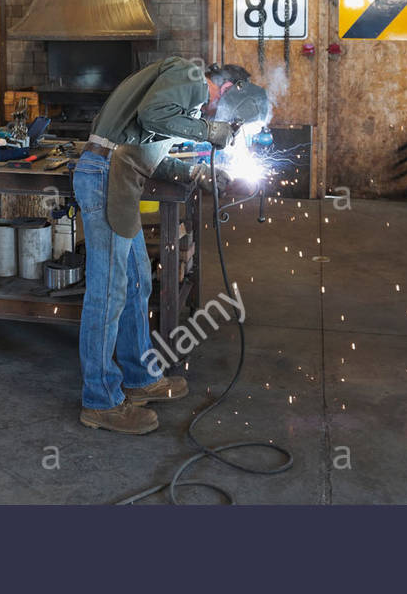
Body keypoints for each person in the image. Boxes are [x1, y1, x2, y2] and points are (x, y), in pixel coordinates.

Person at [74, 58, 268, 434]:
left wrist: (195, 172)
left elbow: (149, 154)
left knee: (136, 284)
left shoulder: (183, 103)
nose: (219, 118)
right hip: (104, 178)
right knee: (108, 292)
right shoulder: (191, 74)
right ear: (226, 89)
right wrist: (211, 130)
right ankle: (100, 400)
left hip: (118, 181)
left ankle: (139, 378)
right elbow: (153, 117)